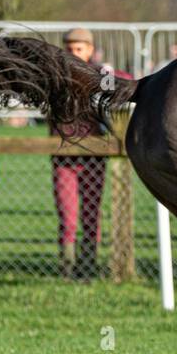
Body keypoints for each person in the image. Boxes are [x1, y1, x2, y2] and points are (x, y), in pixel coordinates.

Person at [53, 27, 126, 279]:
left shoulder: (97, 74)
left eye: (79, 49)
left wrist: (108, 73)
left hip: (93, 155)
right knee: (67, 214)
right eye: (69, 49)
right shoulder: (55, 77)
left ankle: (88, 265)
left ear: (89, 51)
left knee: (90, 213)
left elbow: (122, 85)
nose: (73, 54)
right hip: (62, 156)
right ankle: (68, 265)